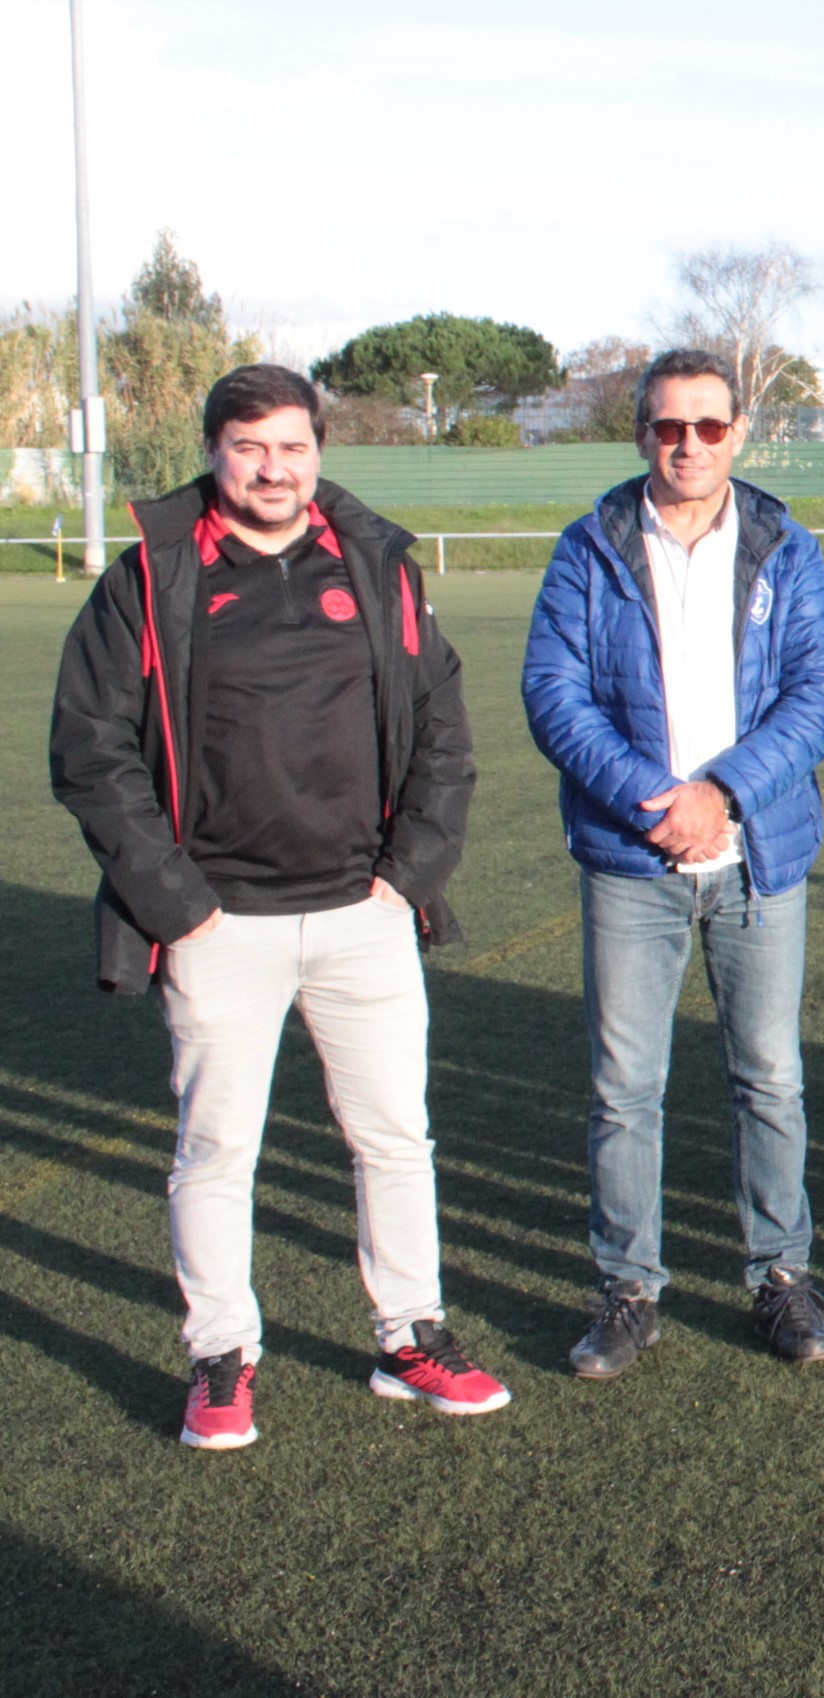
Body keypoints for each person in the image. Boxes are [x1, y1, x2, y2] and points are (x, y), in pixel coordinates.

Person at [50, 363, 506, 1449]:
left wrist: (410, 878)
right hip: (220, 924)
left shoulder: (374, 563)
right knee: (217, 1149)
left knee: (395, 1139)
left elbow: (442, 726)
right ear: (215, 452)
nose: (274, 467)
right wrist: (177, 903)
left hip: (365, 913)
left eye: (292, 446)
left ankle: (409, 1337)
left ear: (318, 452)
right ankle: (220, 1354)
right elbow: (89, 749)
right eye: (251, 447)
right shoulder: (153, 575)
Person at [521, 347, 824, 1379]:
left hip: (757, 857)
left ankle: (780, 1278)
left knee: (770, 1078)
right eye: (669, 426)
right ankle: (627, 1289)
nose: (689, 445)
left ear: (739, 433)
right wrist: (653, 803)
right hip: (634, 857)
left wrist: (725, 795)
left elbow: (817, 691)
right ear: (641, 434)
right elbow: (553, 693)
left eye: (710, 426)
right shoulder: (589, 546)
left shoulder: (785, 546)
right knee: (625, 1088)